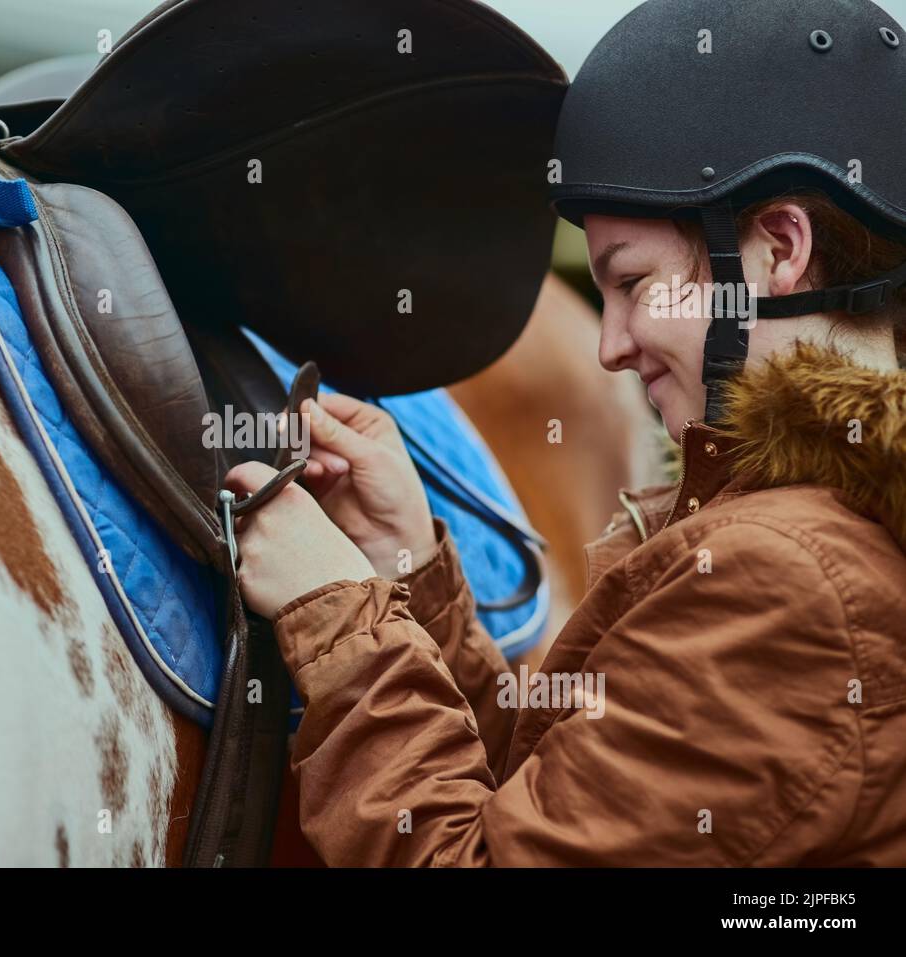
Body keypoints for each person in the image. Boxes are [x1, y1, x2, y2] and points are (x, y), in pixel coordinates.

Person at [226, 0, 906, 866]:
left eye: (632, 282)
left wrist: (334, 615)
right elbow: (565, 797)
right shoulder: (812, 528)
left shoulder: (792, 579)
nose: (610, 346)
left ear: (779, 249)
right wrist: (411, 570)